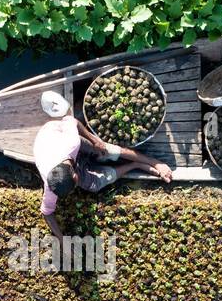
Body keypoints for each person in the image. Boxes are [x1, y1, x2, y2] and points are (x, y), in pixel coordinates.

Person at [34, 90, 173, 240]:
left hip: (58, 134)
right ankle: (135, 165)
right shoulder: (51, 184)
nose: (76, 187)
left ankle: (154, 162)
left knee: (107, 151)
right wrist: (62, 240)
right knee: (94, 185)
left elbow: (71, 120)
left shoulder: (71, 143)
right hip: (54, 152)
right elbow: (47, 212)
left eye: (75, 184)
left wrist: (94, 140)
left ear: (74, 174)